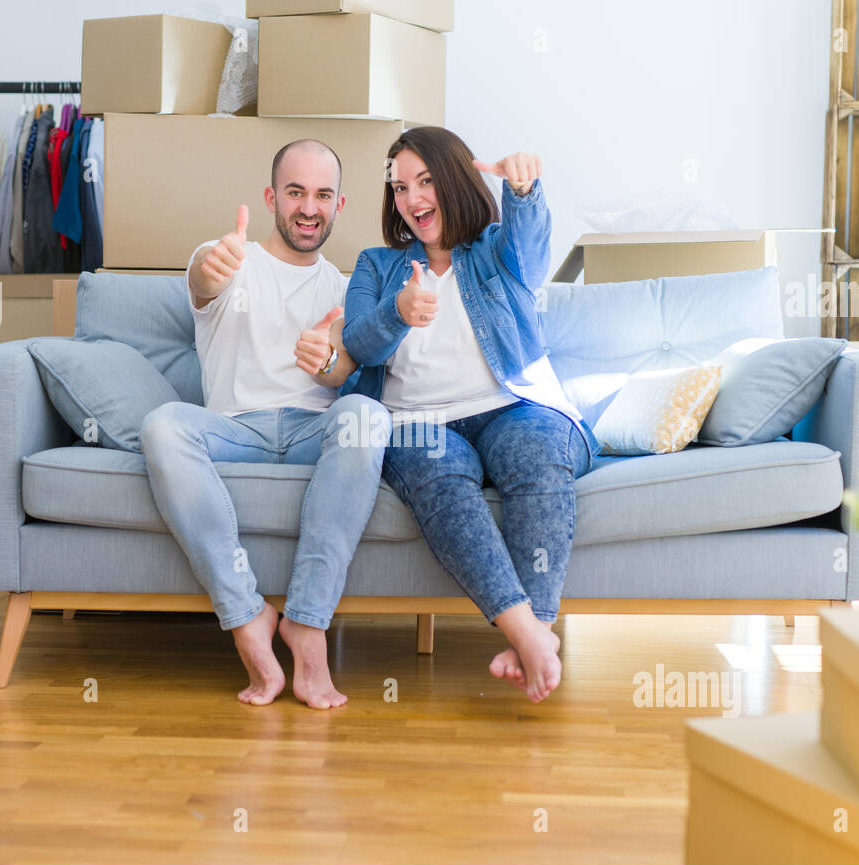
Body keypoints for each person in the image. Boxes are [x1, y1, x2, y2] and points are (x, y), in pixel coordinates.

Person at [328, 127, 597, 703]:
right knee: (438, 475)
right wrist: (398, 311)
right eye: (400, 187)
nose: (411, 198)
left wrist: (525, 191)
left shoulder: (496, 250)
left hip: (513, 407)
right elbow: (359, 346)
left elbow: (531, 248)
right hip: (415, 420)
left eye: (425, 181)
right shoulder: (377, 265)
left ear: (454, 182)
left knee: (536, 453)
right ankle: (529, 634)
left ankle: (534, 631)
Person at [139, 139, 391, 710]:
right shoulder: (228, 256)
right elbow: (205, 281)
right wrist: (211, 270)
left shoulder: (349, 289)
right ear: (271, 196)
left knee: (366, 415)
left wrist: (328, 362)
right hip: (234, 431)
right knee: (162, 427)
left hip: (311, 432)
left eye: (322, 195)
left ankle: (306, 623)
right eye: (296, 192)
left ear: (340, 204)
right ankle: (248, 618)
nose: (308, 207)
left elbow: (342, 373)